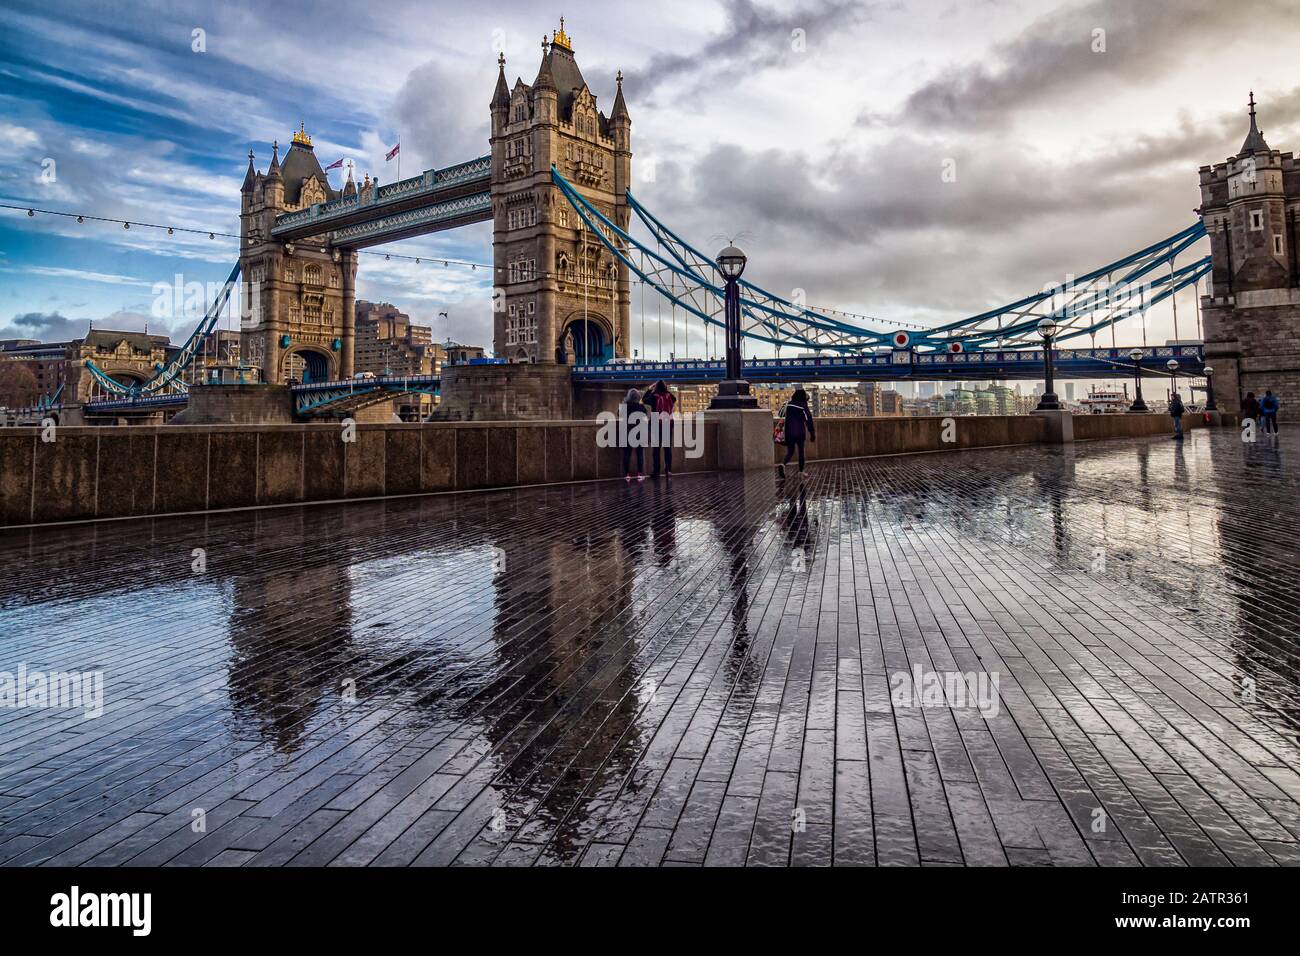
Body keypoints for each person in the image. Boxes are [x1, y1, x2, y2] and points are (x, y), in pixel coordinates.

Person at [778, 388, 816, 476]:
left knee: (790, 451)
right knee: (801, 452)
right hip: (799, 432)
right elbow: (808, 420)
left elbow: (780, 414)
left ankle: (783, 464)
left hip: (789, 432)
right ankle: (801, 471)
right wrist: (812, 433)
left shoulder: (788, 404)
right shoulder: (803, 406)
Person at [646, 380, 676, 478]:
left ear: (656, 388)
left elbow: (644, 400)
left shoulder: (654, 397)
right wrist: (666, 390)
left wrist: (650, 389)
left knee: (656, 449)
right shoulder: (669, 396)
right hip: (668, 423)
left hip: (656, 424)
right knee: (667, 448)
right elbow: (674, 399)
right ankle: (668, 470)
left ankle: (656, 471)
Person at [622, 387, 648, 481]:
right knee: (639, 454)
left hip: (627, 433)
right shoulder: (640, 406)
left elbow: (618, 413)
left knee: (626, 454)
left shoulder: (625, 406)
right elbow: (645, 414)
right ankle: (640, 474)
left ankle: (627, 475)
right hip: (639, 433)